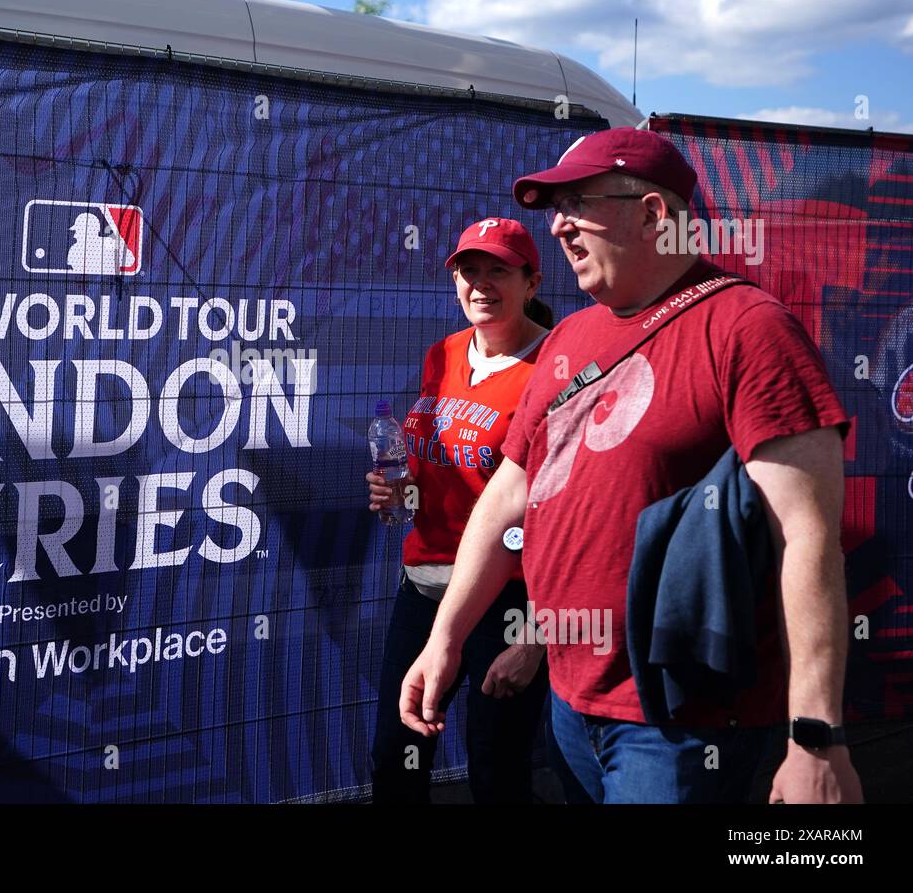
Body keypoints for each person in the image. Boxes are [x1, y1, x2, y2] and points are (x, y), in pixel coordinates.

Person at [399, 127, 864, 804]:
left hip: (683, 725)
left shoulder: (748, 327)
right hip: (570, 702)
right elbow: (510, 496)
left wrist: (816, 736)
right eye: (553, 208)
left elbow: (809, 538)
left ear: (652, 214)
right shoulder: (571, 335)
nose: (557, 226)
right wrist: (446, 639)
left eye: (577, 202)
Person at [367, 218, 553, 803]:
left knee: (496, 768)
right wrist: (401, 492)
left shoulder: (554, 368)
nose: (481, 283)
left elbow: (571, 510)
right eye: (469, 270)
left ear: (531, 281)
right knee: (396, 755)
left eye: (499, 269)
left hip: (509, 598)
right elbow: (435, 465)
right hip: (423, 586)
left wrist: (539, 637)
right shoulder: (442, 354)